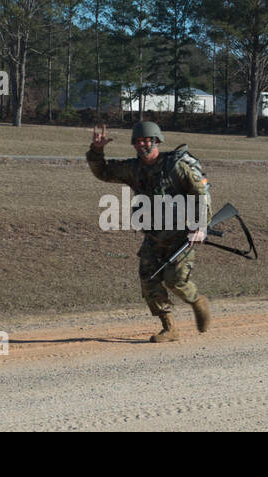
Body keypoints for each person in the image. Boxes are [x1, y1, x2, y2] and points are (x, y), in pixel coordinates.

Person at [87, 121, 212, 342]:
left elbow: (200, 194)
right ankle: (169, 327)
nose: (142, 145)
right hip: (153, 235)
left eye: (146, 140)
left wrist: (200, 226)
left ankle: (197, 301)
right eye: (138, 141)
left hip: (180, 234)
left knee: (175, 280)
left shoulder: (175, 166)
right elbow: (104, 172)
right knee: (148, 280)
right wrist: (97, 150)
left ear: (156, 141)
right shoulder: (133, 168)